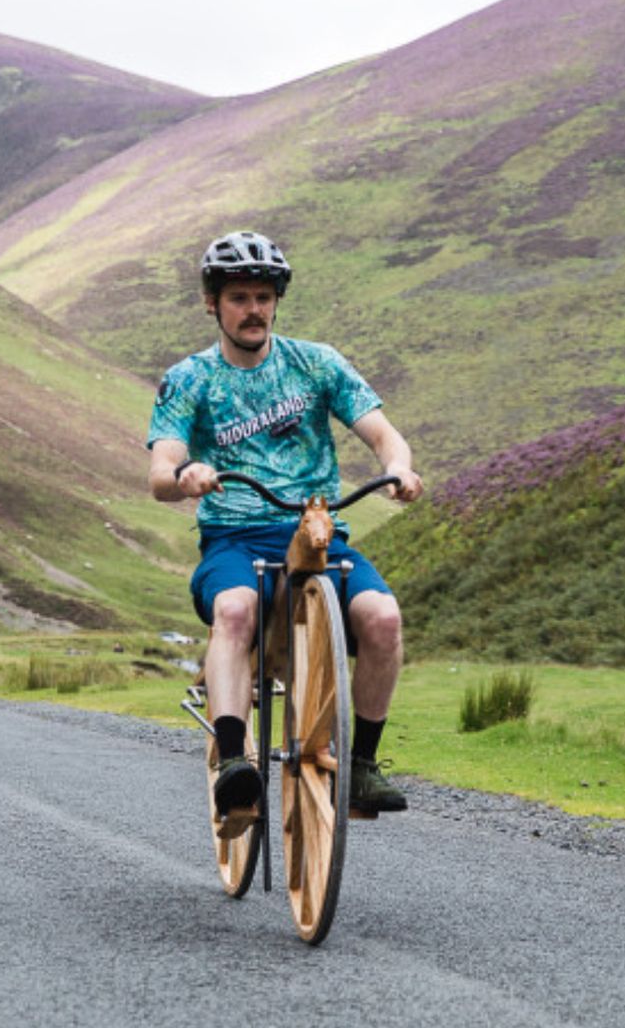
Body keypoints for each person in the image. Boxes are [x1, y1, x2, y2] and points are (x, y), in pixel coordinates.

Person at [147, 230, 424, 820]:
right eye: (240, 297)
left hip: (320, 533)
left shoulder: (317, 364)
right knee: (235, 612)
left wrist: (397, 466)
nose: (254, 310)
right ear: (212, 303)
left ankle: (362, 768)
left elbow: (380, 431)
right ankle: (233, 765)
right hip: (233, 538)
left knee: (384, 618)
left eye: (263, 297)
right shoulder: (189, 380)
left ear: (277, 299)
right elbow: (160, 471)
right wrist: (187, 473)